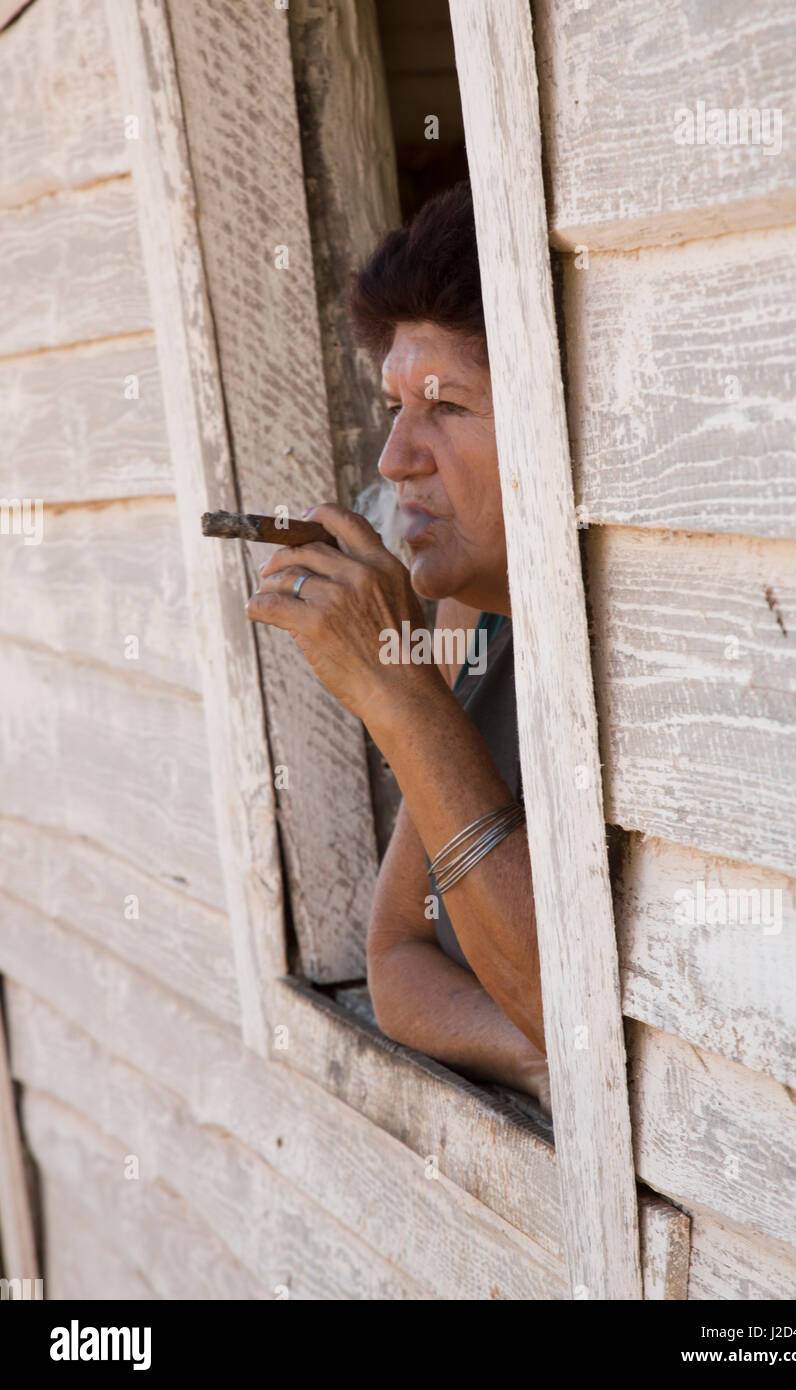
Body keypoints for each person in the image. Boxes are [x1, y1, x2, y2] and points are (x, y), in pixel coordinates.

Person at [247, 181, 550, 1115]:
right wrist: (538, 1061)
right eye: (394, 406)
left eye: (447, 406)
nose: (395, 459)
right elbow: (397, 960)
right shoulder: (471, 618)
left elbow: (559, 994)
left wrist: (396, 694)